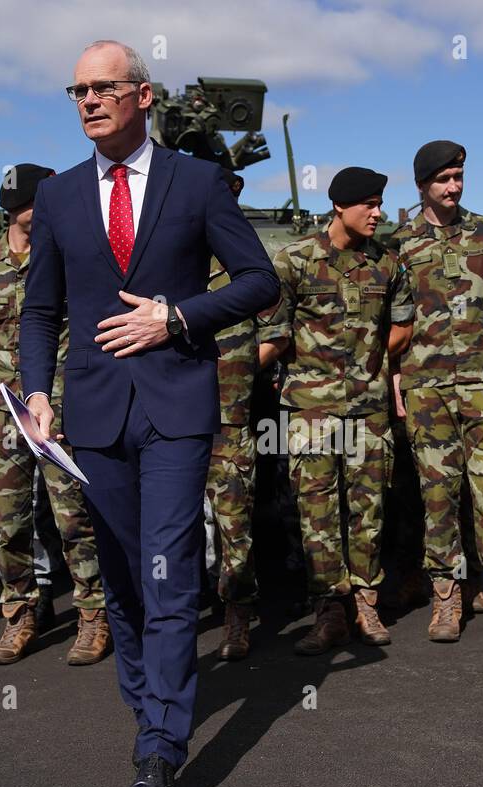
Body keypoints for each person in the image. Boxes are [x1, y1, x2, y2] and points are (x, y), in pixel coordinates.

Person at [19, 40, 278, 787]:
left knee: (168, 570)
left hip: (175, 408)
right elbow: (39, 309)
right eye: (78, 90)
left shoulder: (196, 182)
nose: (89, 101)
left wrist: (177, 317)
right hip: (94, 417)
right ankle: (148, 705)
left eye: (105, 88)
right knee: (126, 580)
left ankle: (161, 748)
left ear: (143, 95)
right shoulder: (60, 196)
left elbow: (259, 280)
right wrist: (37, 393)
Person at [0, 163, 111, 666]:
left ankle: (94, 616)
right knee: (9, 521)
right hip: (4, 412)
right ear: (21, 208)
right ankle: (19, 616)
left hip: (60, 406)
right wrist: (8, 384)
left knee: (74, 516)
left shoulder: (68, 256)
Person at [257, 167, 414, 655]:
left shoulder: (388, 264)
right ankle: (329, 610)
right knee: (317, 511)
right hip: (311, 412)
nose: (378, 212)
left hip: (368, 409)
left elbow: (403, 329)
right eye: (369, 203)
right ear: (340, 206)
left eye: (381, 202)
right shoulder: (295, 261)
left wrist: (364, 362)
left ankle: (366, 601)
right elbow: (275, 333)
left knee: (368, 509)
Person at [389, 140, 483, 648]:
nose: (453, 187)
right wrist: (395, 378)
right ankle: (446, 595)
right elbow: (391, 319)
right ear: (422, 184)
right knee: (437, 497)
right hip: (426, 387)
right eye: (443, 179)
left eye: (458, 177)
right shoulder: (398, 242)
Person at [204, 171, 276, 662]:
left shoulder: (249, 267)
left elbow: (275, 335)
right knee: (167, 524)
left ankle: (238, 615)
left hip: (230, 416)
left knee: (235, 521)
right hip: (170, 419)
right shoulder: (168, 261)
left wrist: (241, 368)